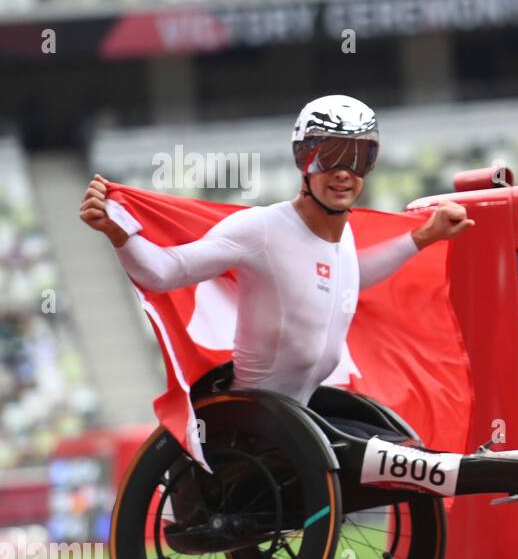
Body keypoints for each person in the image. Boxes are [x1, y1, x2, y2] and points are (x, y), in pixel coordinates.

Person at [79, 94, 474, 436]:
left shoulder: (345, 236)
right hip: (252, 421)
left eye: (357, 158)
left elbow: (352, 279)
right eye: (330, 155)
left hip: (306, 412)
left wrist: (424, 236)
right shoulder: (261, 229)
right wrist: (119, 232)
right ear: (304, 160)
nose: (342, 172)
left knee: (408, 447)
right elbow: (164, 273)